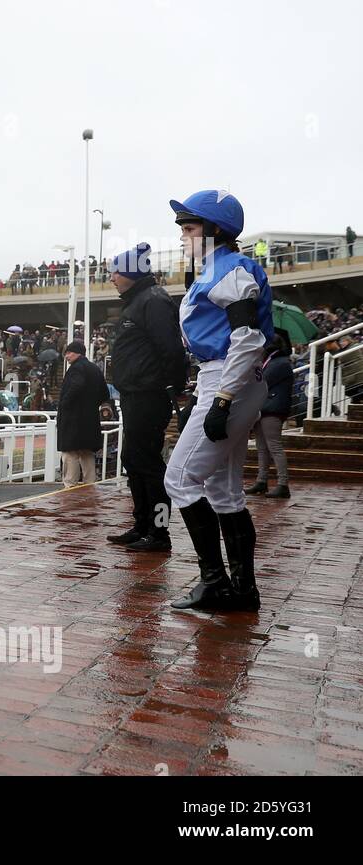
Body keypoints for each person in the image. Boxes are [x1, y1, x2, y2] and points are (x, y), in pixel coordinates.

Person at [165, 189, 274, 612]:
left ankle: (215, 582)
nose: (182, 237)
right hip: (228, 377)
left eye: (188, 229)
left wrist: (223, 399)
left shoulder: (229, 269)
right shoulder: (219, 269)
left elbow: (247, 340)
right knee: (224, 490)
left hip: (230, 378)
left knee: (178, 479)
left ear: (214, 230)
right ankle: (242, 590)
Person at [104, 243, 189, 552]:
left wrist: (173, 386)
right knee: (133, 459)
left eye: (115, 271)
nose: (111, 277)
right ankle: (142, 525)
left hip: (149, 395)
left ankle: (159, 532)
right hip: (135, 393)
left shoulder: (152, 301)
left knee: (149, 463)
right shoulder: (138, 301)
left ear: (130, 272)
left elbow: (171, 348)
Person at [245, 329, 293, 499]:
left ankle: (283, 484)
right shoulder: (271, 361)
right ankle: (261, 481)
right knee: (262, 448)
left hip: (272, 409)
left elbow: (262, 380)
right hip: (263, 408)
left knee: (274, 447)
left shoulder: (280, 363)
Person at [56, 341, 108, 488]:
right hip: (90, 419)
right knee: (87, 453)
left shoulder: (76, 369)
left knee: (70, 453)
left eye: (69, 352)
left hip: (72, 420)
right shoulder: (95, 369)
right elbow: (104, 393)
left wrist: (64, 404)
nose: (66, 356)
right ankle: (89, 486)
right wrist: (90, 405)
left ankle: (70, 487)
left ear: (78, 352)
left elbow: (76, 386)